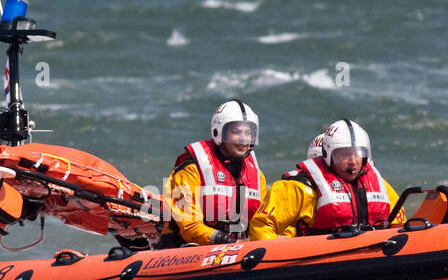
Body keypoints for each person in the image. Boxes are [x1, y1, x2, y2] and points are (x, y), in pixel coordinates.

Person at [249, 118, 404, 240]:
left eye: (358, 154)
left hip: (370, 254)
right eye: (343, 155)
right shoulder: (303, 187)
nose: (353, 161)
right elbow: (262, 225)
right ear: (328, 155)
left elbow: (399, 223)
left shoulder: (379, 184)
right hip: (315, 259)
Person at [158, 100, 268, 246]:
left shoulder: (256, 175)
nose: (244, 139)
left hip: (239, 249)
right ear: (218, 132)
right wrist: (231, 242)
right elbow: (190, 227)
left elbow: (263, 222)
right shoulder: (192, 167)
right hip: (188, 248)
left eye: (248, 133)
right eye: (236, 132)